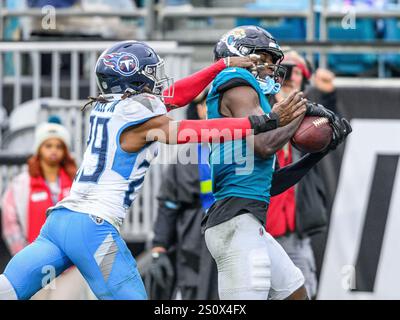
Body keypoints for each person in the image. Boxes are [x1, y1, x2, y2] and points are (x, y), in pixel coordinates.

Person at [0, 40, 290, 300]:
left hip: (58, 224)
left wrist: (220, 66)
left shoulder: (110, 106)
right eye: (152, 74)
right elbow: (190, 130)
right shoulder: (138, 116)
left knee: (8, 291)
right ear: (134, 79)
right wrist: (259, 122)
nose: (158, 82)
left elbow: (176, 96)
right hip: (93, 228)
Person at [203, 26, 352, 300]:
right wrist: (300, 112)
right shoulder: (235, 81)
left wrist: (318, 154)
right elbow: (263, 145)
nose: (271, 68)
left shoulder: (249, 94)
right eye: (266, 59)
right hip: (236, 221)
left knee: (296, 293)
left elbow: (271, 183)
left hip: (246, 218)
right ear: (241, 55)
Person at [1, 117, 90, 299]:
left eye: (59, 146)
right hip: (35, 264)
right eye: (48, 145)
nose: (54, 151)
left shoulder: (77, 183)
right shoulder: (21, 183)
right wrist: (24, 254)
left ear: (65, 151)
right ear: (39, 149)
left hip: (70, 266)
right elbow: (10, 222)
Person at [266, 49, 328, 299]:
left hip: (293, 234)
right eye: (285, 69)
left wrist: (326, 94)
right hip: (258, 231)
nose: (290, 76)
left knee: (304, 292)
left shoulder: (311, 118)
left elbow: (327, 123)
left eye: (297, 71)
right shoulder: (259, 109)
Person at [146, 90, 218, 300]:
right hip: (193, 241)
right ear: (198, 109)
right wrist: (159, 247)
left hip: (231, 231)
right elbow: (168, 203)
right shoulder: (186, 154)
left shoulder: (243, 147)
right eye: (206, 104)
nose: (210, 109)